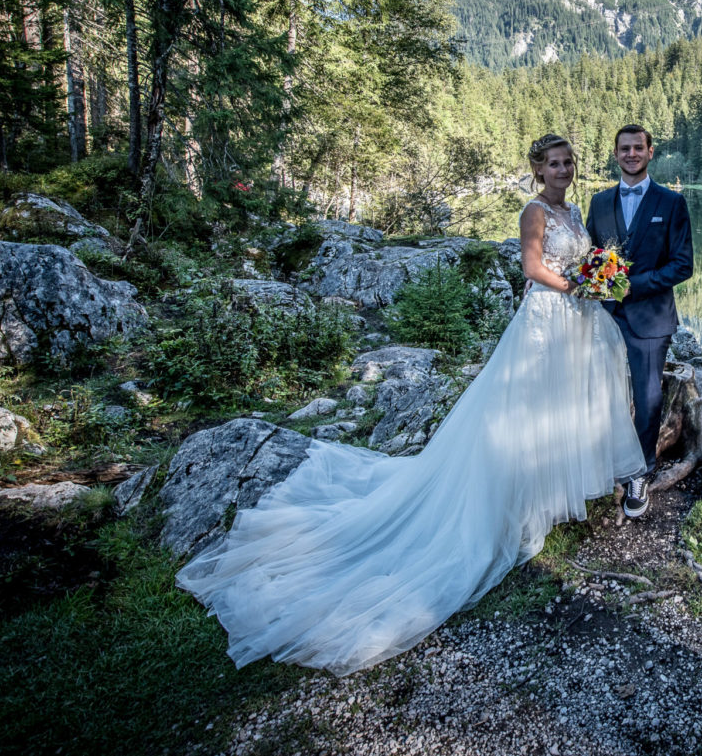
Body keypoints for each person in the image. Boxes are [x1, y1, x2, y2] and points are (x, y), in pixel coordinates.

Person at [175, 134, 643, 676]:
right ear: (538, 171)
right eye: (553, 164)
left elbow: (579, 259)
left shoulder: (576, 210)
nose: (562, 171)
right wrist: (579, 285)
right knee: (521, 412)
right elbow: (533, 269)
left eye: (568, 163)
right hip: (546, 318)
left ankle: (546, 492)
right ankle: (509, 503)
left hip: (574, 321)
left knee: (556, 411)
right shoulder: (534, 212)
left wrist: (594, 277)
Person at [586, 124, 694, 519]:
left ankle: (640, 473)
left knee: (648, 400)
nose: (631, 154)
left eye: (638, 148)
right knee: (601, 394)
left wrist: (633, 286)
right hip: (605, 317)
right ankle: (602, 463)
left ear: (651, 152)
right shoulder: (598, 203)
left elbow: (683, 266)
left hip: (650, 318)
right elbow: (590, 256)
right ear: (615, 155)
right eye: (624, 149)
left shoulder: (671, 203)